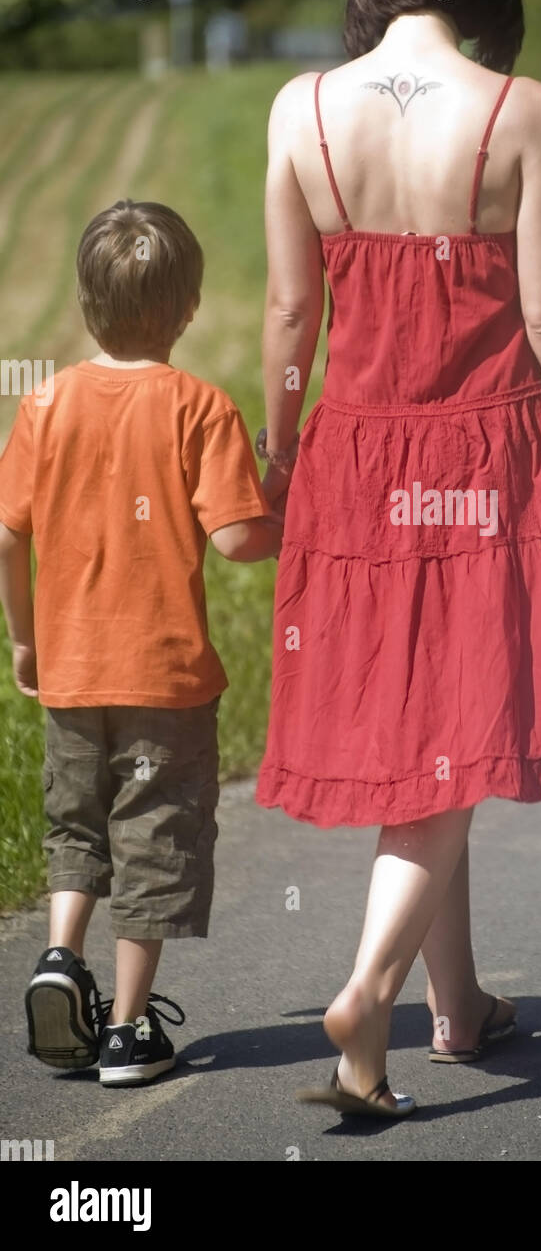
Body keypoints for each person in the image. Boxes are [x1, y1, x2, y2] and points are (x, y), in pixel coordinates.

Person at [254, 0, 541, 1117]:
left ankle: (453, 1006)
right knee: (456, 731)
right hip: (473, 466)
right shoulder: (521, 110)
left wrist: (277, 441)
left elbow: (291, 310)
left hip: (355, 459)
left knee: (427, 735)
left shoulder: (298, 111)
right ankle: (365, 990)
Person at [0, 200, 281, 1087]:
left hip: (74, 670)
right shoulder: (199, 408)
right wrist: (282, 483)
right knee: (153, 840)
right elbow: (239, 539)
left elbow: (9, 533)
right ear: (189, 305)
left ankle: (57, 958)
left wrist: (24, 641)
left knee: (75, 826)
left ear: (86, 304)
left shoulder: (44, 404)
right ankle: (126, 1030)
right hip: (165, 680)